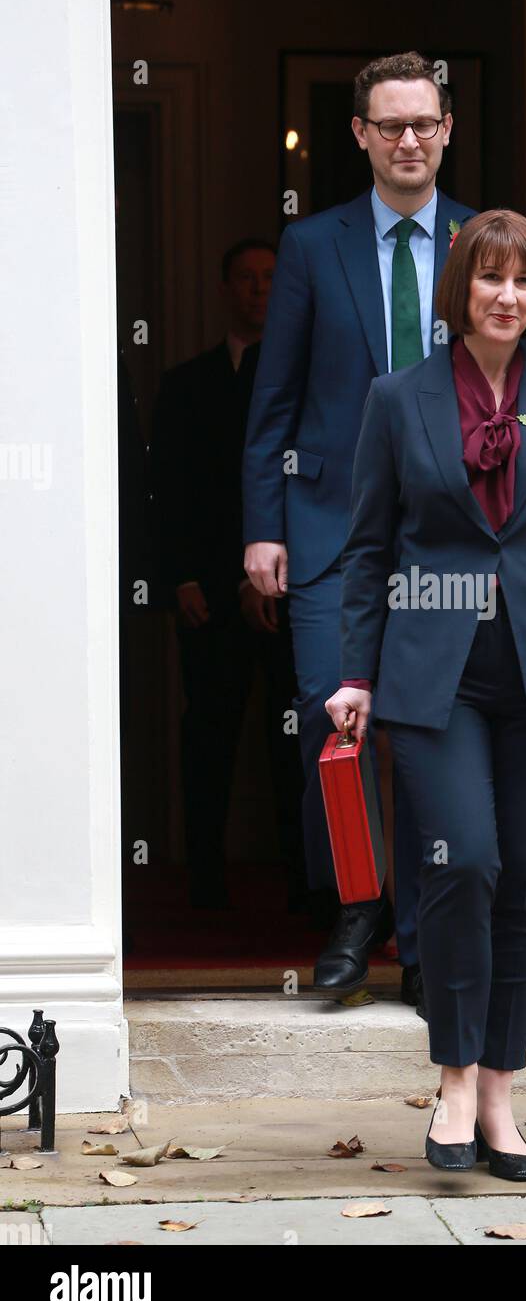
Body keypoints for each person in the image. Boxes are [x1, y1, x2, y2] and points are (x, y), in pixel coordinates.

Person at [325, 210, 526, 1179]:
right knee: (461, 860)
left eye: (525, 282)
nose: (508, 296)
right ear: (461, 287)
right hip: (435, 670)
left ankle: (501, 1091)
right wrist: (355, 669)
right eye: (491, 278)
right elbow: (369, 546)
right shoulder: (399, 398)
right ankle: (452, 1074)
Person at [242, 52, 475, 1010]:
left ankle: (422, 944)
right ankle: (354, 911)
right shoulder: (311, 245)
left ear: (447, 128)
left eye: (423, 123)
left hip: (452, 541)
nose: (408, 141)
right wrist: (263, 526)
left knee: (427, 732)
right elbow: (275, 398)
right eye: (389, 126)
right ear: (360, 136)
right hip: (327, 526)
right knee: (328, 727)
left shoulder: (480, 243)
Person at [151, 238, 306, 912]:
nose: (258, 289)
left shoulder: (308, 385)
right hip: (209, 594)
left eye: (270, 277)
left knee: (292, 740)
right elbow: (168, 489)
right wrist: (181, 576)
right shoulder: (186, 385)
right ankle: (205, 889)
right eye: (245, 278)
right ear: (225, 289)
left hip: (292, 595)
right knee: (209, 736)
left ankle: (307, 888)